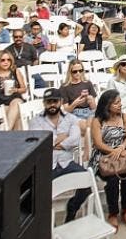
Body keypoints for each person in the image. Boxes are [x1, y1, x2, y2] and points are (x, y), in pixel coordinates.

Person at [28, 88, 92, 222]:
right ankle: (47, 224)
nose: (52, 105)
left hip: (66, 163)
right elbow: (42, 142)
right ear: (44, 104)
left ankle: (72, 207)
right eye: (49, 102)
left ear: (61, 102)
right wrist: (63, 137)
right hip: (47, 165)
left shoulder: (71, 118)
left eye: (55, 101)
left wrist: (55, 141)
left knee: (87, 183)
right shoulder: (35, 121)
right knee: (37, 194)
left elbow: (75, 139)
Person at [90, 89, 126, 231]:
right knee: (112, 180)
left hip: (122, 155)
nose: (120, 105)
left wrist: (122, 148)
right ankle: (113, 213)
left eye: (120, 102)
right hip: (103, 157)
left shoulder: (125, 117)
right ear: (107, 105)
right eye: (116, 103)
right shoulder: (97, 121)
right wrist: (115, 152)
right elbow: (98, 144)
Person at [0, 50, 29, 130]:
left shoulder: (15, 71)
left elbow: (24, 89)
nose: (6, 62)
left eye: (8, 60)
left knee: (16, 103)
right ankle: (15, 138)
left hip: (14, 98)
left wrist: (16, 90)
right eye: (3, 60)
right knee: (17, 115)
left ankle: (6, 131)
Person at [59, 60, 98, 124]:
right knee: (85, 124)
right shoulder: (64, 87)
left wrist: (91, 101)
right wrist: (75, 103)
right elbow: (66, 110)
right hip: (74, 113)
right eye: (75, 71)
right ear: (70, 72)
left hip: (89, 111)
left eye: (80, 70)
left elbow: (94, 108)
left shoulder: (88, 83)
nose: (78, 73)